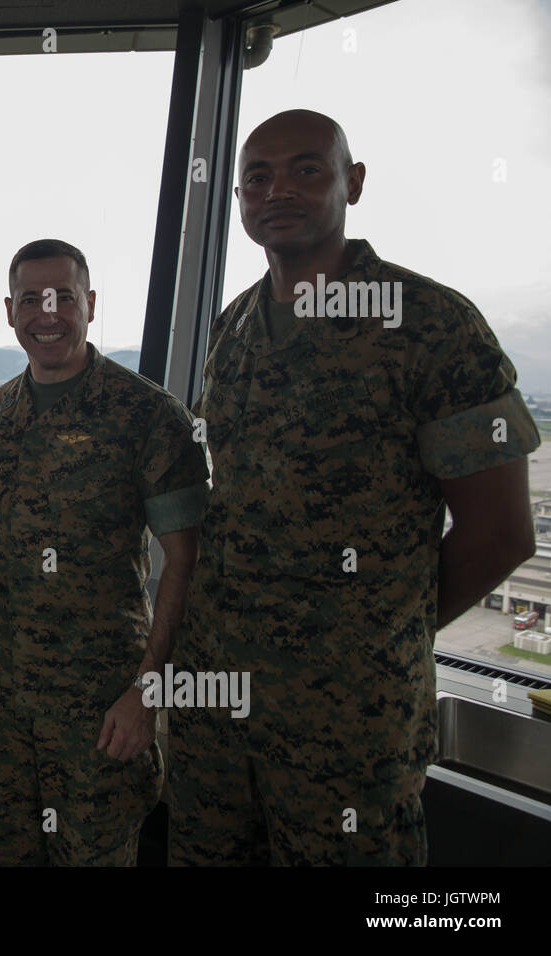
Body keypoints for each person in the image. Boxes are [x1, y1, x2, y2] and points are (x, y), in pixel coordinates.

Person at [169, 110, 541, 865]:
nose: (279, 190)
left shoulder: (432, 326)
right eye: (258, 177)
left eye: (307, 169)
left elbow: (501, 534)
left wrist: (373, 635)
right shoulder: (232, 327)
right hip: (217, 696)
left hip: (346, 716)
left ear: (354, 183)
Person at [0, 238, 208, 866]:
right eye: (31, 299)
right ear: (9, 312)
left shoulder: (149, 416)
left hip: (100, 701)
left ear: (90, 304)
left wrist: (148, 691)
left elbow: (187, 560)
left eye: (64, 297)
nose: (48, 314)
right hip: (0, 696)